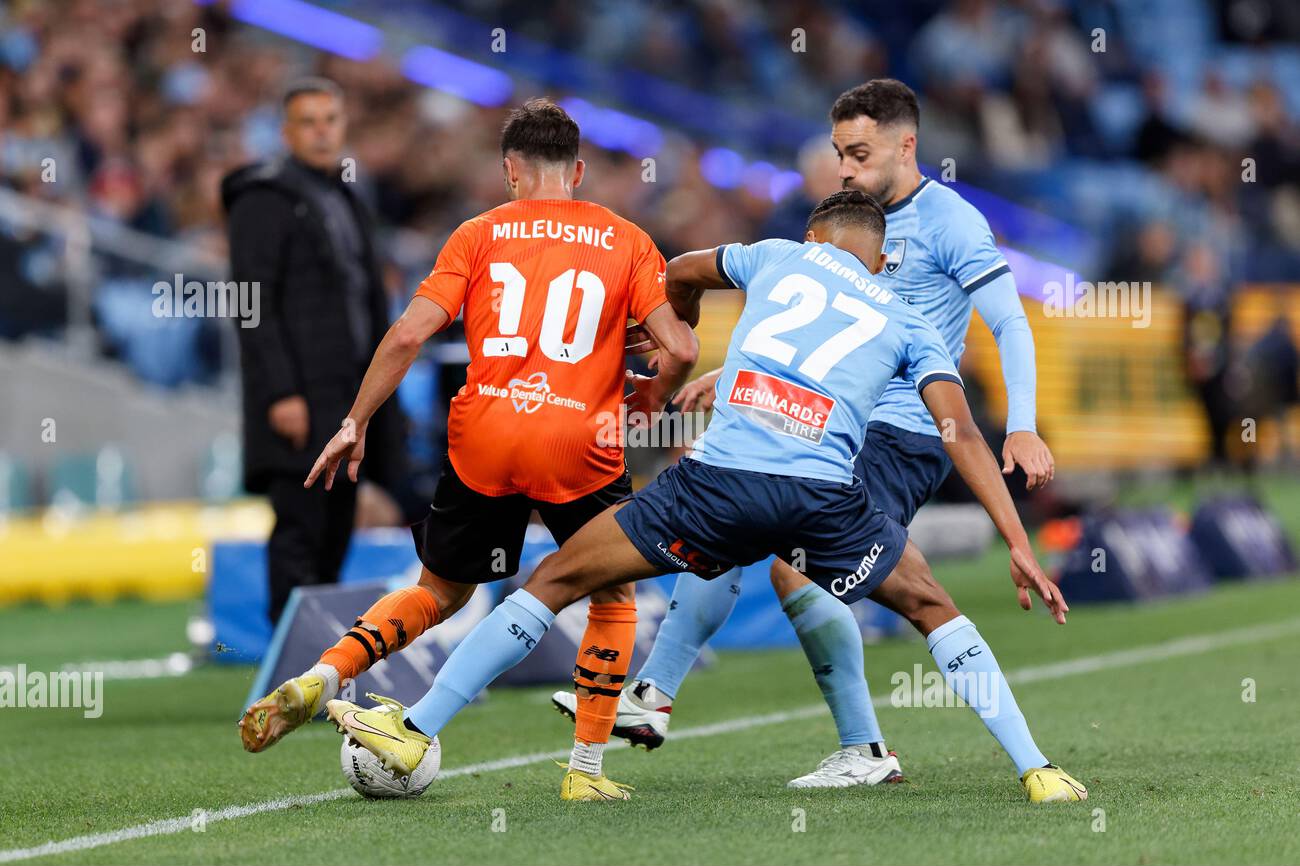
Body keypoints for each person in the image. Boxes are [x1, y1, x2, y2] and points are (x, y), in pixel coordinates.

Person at [328, 190, 1087, 804]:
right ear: (883, 259)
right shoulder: (910, 320)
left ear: (815, 237)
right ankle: (1038, 769)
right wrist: (1018, 542)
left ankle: (419, 727)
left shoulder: (774, 256)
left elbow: (681, 270)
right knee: (933, 609)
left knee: (555, 580)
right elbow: (958, 432)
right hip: (822, 499)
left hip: (716, 487)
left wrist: (682, 323)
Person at [556, 78, 1056, 789]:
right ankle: (656, 696)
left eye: (858, 153)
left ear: (906, 145)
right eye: (839, 154)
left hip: (898, 431)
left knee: (793, 558)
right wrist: (731, 375)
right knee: (736, 499)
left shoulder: (953, 222)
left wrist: (1025, 427)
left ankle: (859, 747)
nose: (845, 168)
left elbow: (1008, 321)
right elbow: (816, 334)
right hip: (825, 420)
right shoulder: (847, 227)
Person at [238, 100, 698, 805]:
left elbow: (404, 337)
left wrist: (355, 421)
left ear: (510, 171)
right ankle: (584, 771)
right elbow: (683, 348)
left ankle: (322, 676)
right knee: (612, 596)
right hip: (578, 441)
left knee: (441, 591)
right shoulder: (626, 239)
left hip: (484, 437)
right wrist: (641, 406)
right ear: (577, 170)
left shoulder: (477, 234)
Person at [222, 77, 407, 627]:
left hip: (349, 394)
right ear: (286, 132)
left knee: (334, 528)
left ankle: (315, 662)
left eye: (331, 119)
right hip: (302, 397)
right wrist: (281, 392)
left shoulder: (346, 196)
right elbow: (250, 302)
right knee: (299, 529)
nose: (323, 132)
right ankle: (286, 665)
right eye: (309, 121)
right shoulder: (264, 198)